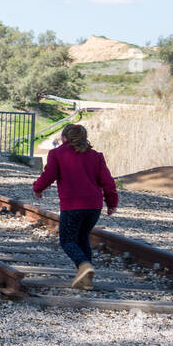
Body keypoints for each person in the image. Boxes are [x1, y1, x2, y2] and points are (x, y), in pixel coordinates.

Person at [32, 123, 118, 290]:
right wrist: (112, 202)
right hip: (94, 207)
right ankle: (86, 281)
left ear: (64, 138)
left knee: (67, 240)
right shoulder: (96, 156)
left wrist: (38, 188)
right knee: (82, 237)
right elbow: (108, 182)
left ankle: (84, 265)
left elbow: (49, 175)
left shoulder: (57, 154)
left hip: (72, 206)